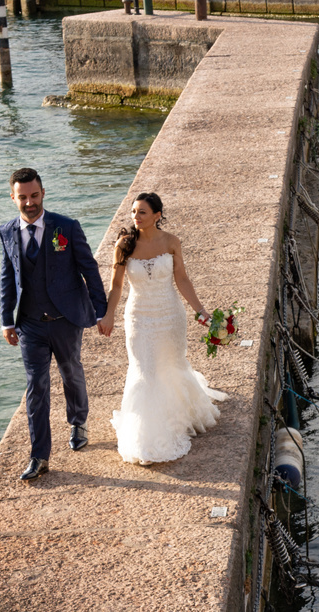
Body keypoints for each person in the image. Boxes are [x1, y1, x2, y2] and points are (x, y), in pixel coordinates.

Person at [98, 192, 227, 464]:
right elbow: (117, 286)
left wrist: (202, 313)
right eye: (133, 211)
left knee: (170, 366)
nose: (136, 216)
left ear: (157, 215)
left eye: (142, 212)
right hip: (139, 317)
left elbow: (182, 279)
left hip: (170, 315)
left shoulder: (171, 242)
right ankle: (145, 438)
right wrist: (109, 315)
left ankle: (178, 416)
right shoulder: (124, 245)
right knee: (145, 373)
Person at [0, 168, 107, 481]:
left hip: (65, 320)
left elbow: (89, 268)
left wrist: (101, 311)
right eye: (23, 197)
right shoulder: (7, 232)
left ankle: (78, 422)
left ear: (43, 193)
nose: (29, 202)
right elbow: (8, 277)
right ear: (13, 198)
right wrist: (6, 320)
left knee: (70, 372)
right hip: (29, 325)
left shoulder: (67, 227)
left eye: (34, 195)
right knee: (36, 386)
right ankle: (39, 456)